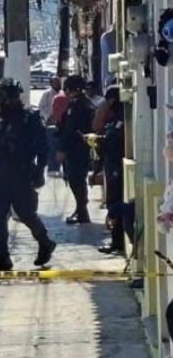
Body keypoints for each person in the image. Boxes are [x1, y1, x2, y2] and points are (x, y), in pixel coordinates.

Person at [0, 79, 56, 271]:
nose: (4, 103)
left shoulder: (30, 117)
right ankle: (2, 257)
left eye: (6, 98)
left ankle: (45, 242)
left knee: (26, 213)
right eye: (0, 99)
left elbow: (43, 147)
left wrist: (40, 170)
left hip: (22, 172)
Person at [57, 75, 94, 224]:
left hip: (76, 150)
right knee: (78, 180)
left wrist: (62, 149)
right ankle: (81, 210)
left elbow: (70, 130)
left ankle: (82, 211)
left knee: (76, 180)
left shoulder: (78, 106)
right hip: (80, 149)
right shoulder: (84, 103)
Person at [96, 87, 126, 255]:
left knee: (114, 204)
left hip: (116, 169)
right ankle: (116, 240)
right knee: (113, 203)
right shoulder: (116, 119)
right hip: (113, 167)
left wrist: (101, 142)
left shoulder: (120, 120)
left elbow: (114, 142)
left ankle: (117, 242)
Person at [38, 77, 63, 174]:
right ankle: (51, 168)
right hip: (49, 123)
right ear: (51, 83)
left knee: (59, 145)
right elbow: (41, 107)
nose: (57, 84)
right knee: (51, 145)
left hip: (60, 123)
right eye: (55, 82)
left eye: (58, 82)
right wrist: (48, 117)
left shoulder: (63, 93)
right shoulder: (47, 94)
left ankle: (58, 167)